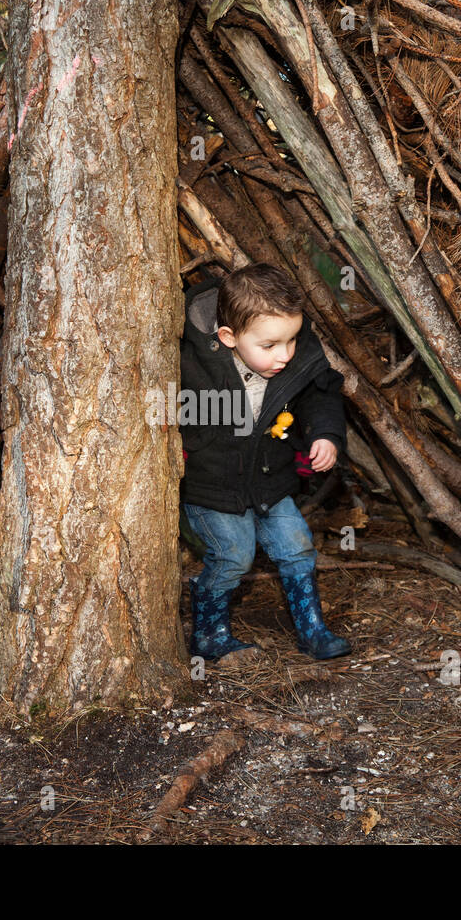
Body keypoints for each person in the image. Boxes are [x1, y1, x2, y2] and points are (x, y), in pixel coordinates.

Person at [179, 263, 352, 661]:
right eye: (271, 346)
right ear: (228, 337)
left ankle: (312, 630)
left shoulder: (293, 351)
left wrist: (325, 435)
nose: (285, 355)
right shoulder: (194, 361)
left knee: (297, 545)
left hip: (271, 481)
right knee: (233, 555)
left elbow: (320, 392)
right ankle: (209, 633)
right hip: (213, 485)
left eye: (291, 340)